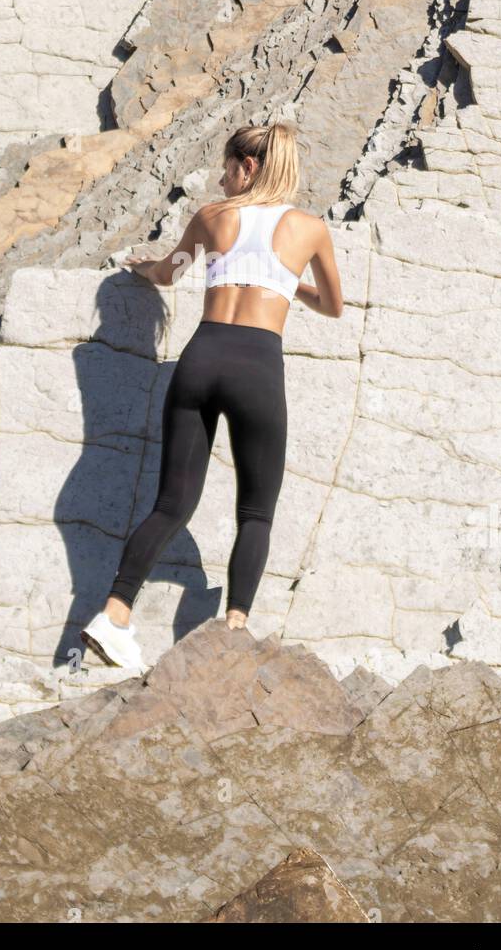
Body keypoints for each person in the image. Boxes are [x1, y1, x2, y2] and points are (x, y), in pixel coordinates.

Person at [80, 121, 344, 672]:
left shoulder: (210, 218)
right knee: (255, 512)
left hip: (201, 360)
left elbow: (169, 274)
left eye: (227, 167)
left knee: (172, 504)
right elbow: (333, 306)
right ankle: (233, 631)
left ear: (249, 168)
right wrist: (282, 277)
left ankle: (114, 615)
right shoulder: (310, 228)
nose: (222, 179)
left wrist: (142, 266)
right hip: (257, 368)